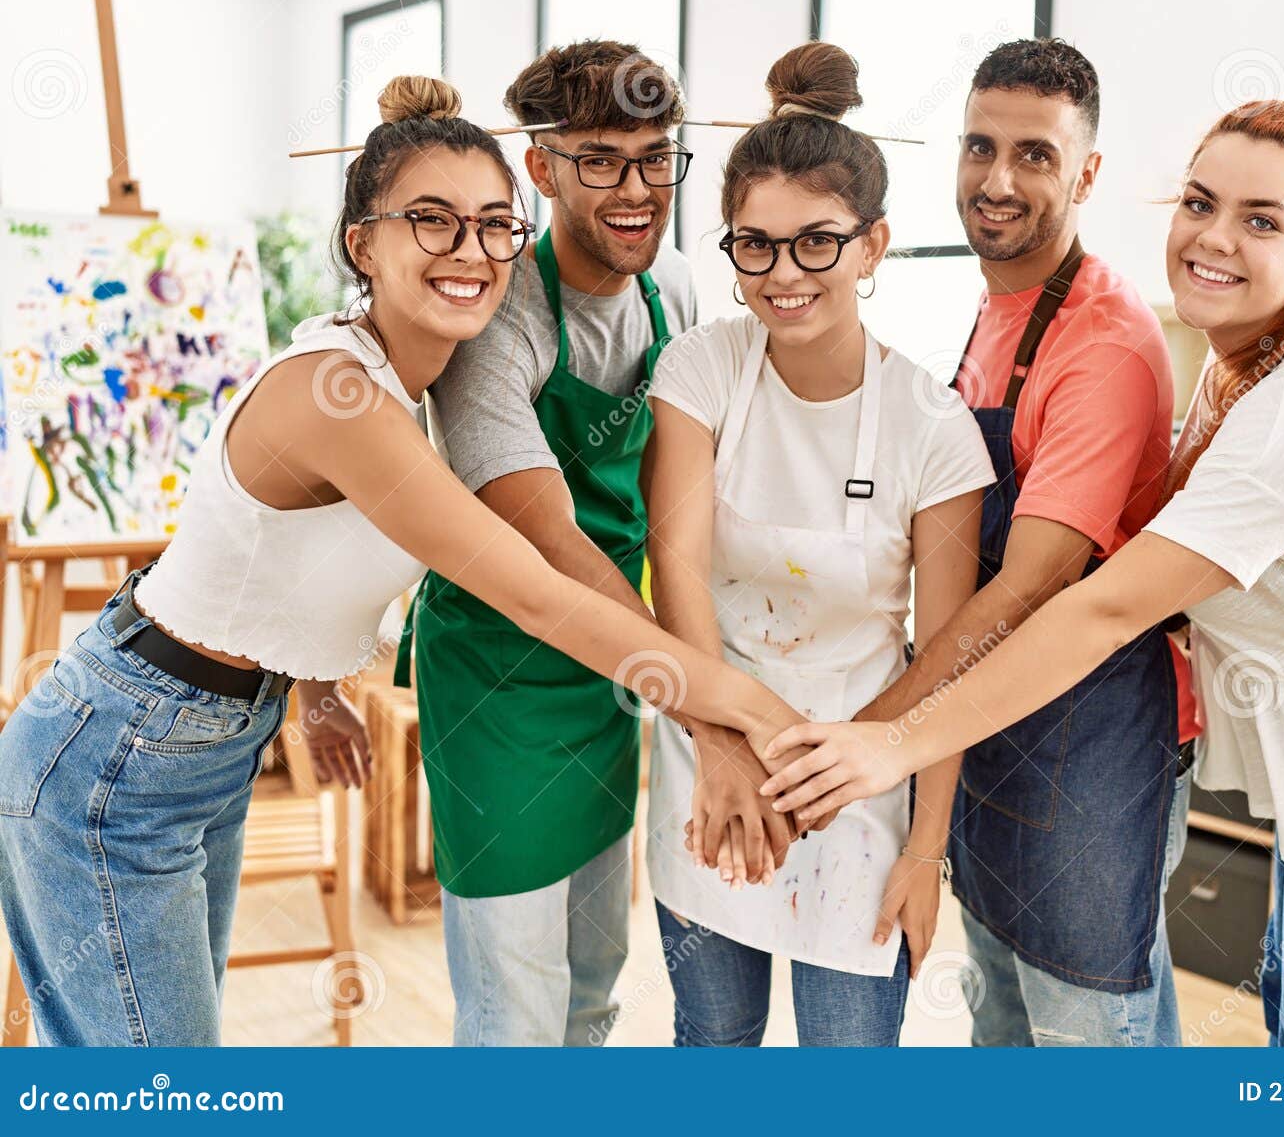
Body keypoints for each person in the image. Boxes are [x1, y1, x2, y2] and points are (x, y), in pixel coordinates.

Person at [0, 75, 799, 1048]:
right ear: (360, 243)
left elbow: (264, 560)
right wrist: (753, 708)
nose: (471, 251)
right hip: (113, 756)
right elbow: (540, 593)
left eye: (493, 225)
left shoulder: (409, 388)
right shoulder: (338, 390)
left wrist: (314, 689)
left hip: (198, 746)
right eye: (432, 221)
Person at [762, 92, 1284, 1048]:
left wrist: (895, 741)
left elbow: (1098, 607)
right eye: (1199, 202)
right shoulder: (1237, 365)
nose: (1212, 238)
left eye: (1261, 220)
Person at [827, 38, 1198, 1047]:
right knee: (1005, 1022)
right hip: (995, 734)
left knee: (1090, 1031)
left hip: (1090, 744)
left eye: (1034, 155)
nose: (997, 180)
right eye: (978, 147)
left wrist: (875, 731)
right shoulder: (996, 313)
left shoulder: (1103, 341)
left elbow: (1032, 583)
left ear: (1085, 173)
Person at [642, 41, 995, 1047]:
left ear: (873, 245)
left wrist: (927, 849)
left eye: (815, 243)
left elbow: (950, 650)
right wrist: (719, 744)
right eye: (752, 244)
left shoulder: (933, 429)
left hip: (863, 781)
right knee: (711, 1036)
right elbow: (675, 566)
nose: (781, 274)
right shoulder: (702, 367)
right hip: (710, 756)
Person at [394, 41, 700, 1048]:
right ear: (542, 167)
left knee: (592, 987)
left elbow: (689, 501)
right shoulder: (497, 315)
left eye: (657, 157)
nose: (635, 188)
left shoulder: (678, 298)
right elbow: (548, 534)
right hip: (502, 676)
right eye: (600, 160)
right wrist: (693, 684)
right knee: (515, 1010)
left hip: (607, 678)